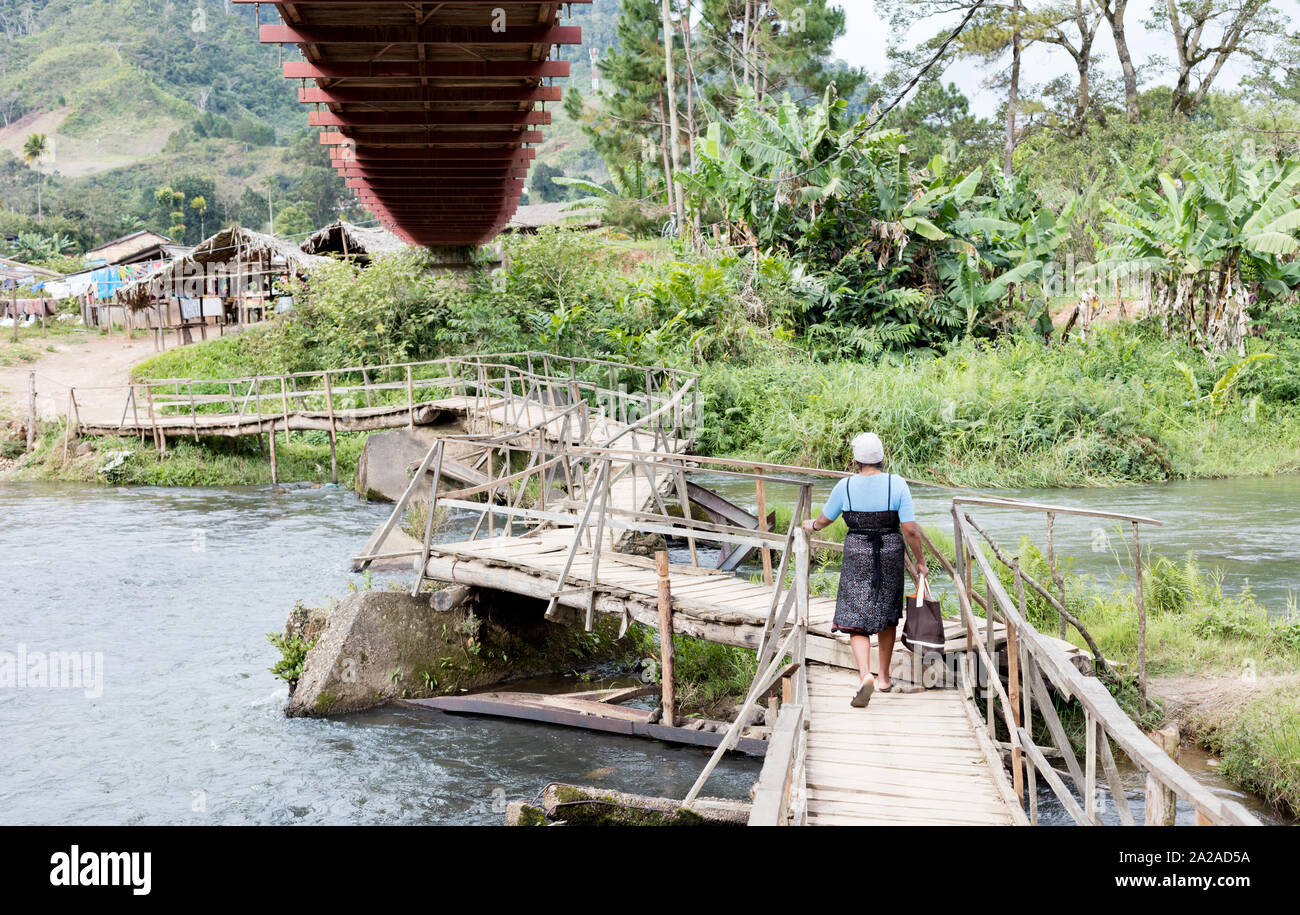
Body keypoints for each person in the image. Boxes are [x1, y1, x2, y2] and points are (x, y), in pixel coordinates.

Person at [802, 432, 928, 707]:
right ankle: (883, 677)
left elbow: (824, 520)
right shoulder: (897, 484)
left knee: (855, 614)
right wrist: (920, 561)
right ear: (882, 458)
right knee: (887, 612)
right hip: (890, 553)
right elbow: (910, 529)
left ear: (856, 460)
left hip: (857, 553)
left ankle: (864, 675)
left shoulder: (845, 486)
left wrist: (810, 526)